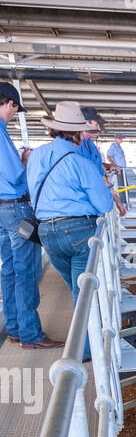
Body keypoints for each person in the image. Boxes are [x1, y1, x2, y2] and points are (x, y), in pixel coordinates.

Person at [27, 99, 115, 358]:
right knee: (83, 293)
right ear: (77, 133)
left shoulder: (36, 156)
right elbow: (104, 203)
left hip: (46, 234)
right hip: (78, 232)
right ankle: (86, 352)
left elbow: (32, 191)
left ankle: (85, 341)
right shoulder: (80, 161)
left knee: (77, 288)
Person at [0, 79, 52, 349]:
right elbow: (13, 173)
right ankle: (31, 334)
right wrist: (32, 174)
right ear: (8, 103)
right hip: (16, 206)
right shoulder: (0, 132)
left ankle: (16, 329)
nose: (12, 114)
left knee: (8, 271)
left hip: (1, 209)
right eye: (13, 109)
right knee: (25, 270)